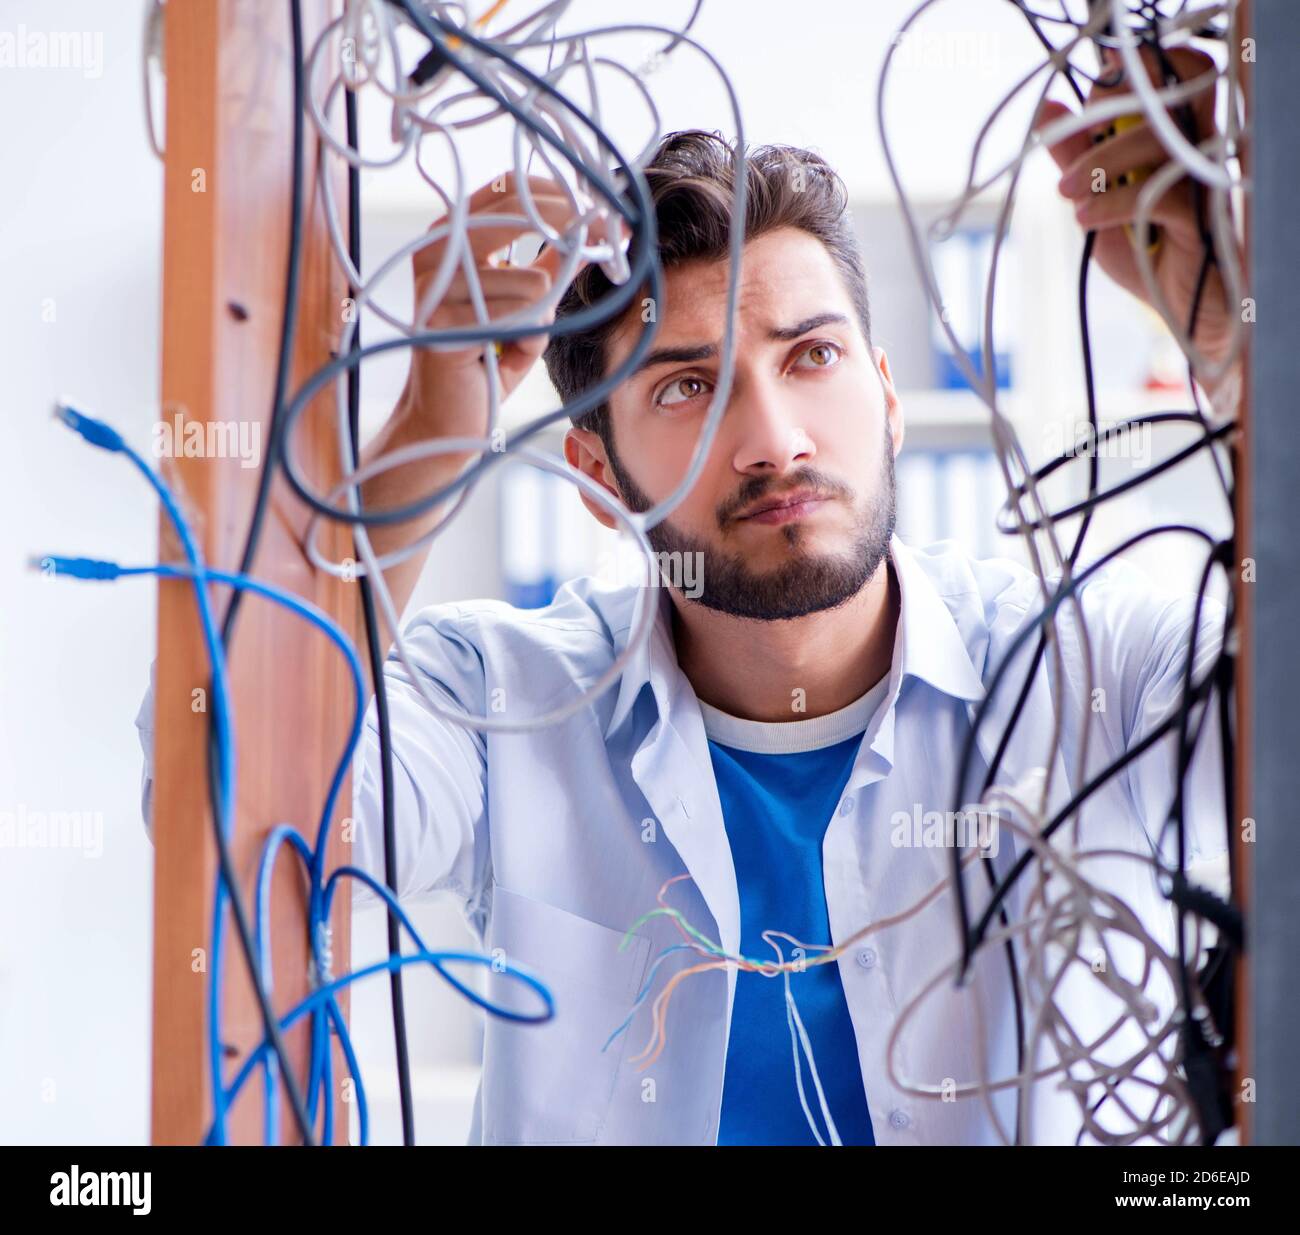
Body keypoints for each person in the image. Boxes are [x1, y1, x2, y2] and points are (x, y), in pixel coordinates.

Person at [137, 47, 1237, 1145]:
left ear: (889, 396)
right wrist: (430, 427)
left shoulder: (1098, 671)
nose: (772, 440)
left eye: (809, 356)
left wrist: (1237, 354)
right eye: (686, 386)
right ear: (597, 473)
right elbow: (222, 788)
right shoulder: (504, 701)